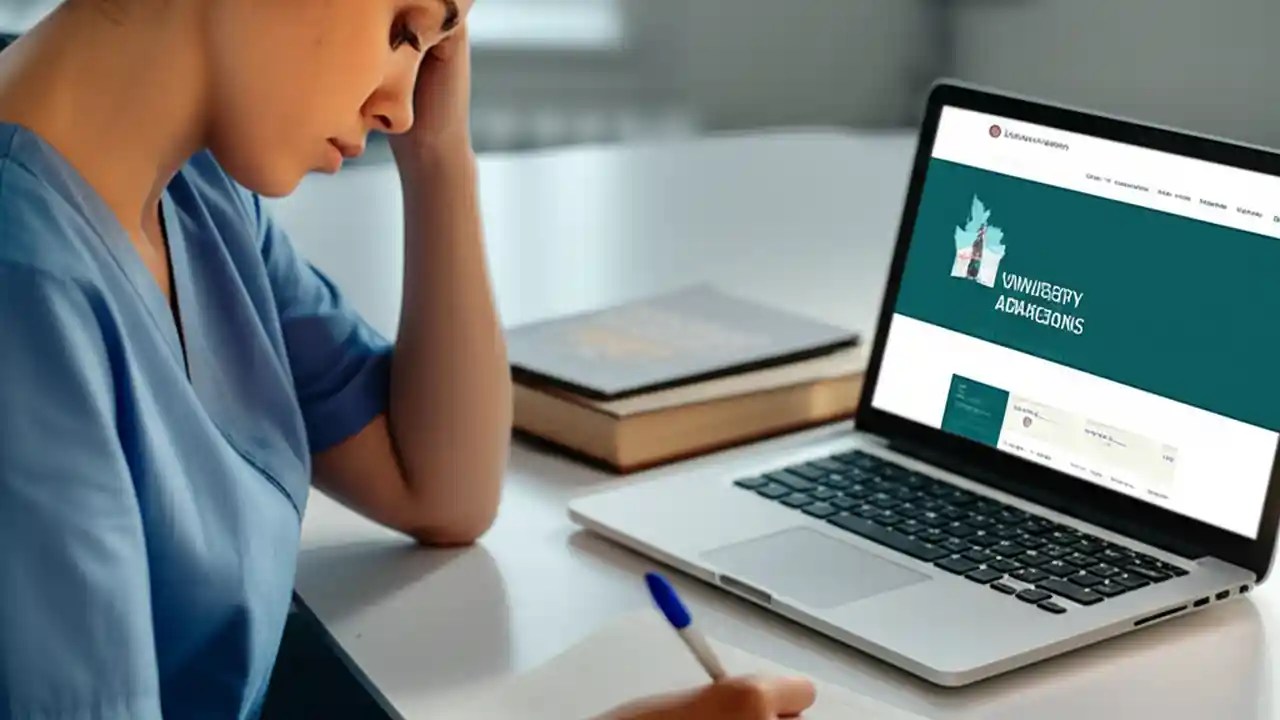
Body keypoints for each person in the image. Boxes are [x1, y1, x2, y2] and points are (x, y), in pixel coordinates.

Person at [0, 1, 818, 718]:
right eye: (404, 30)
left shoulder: (194, 191)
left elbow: (441, 485)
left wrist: (439, 156)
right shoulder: (23, 289)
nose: (401, 104)